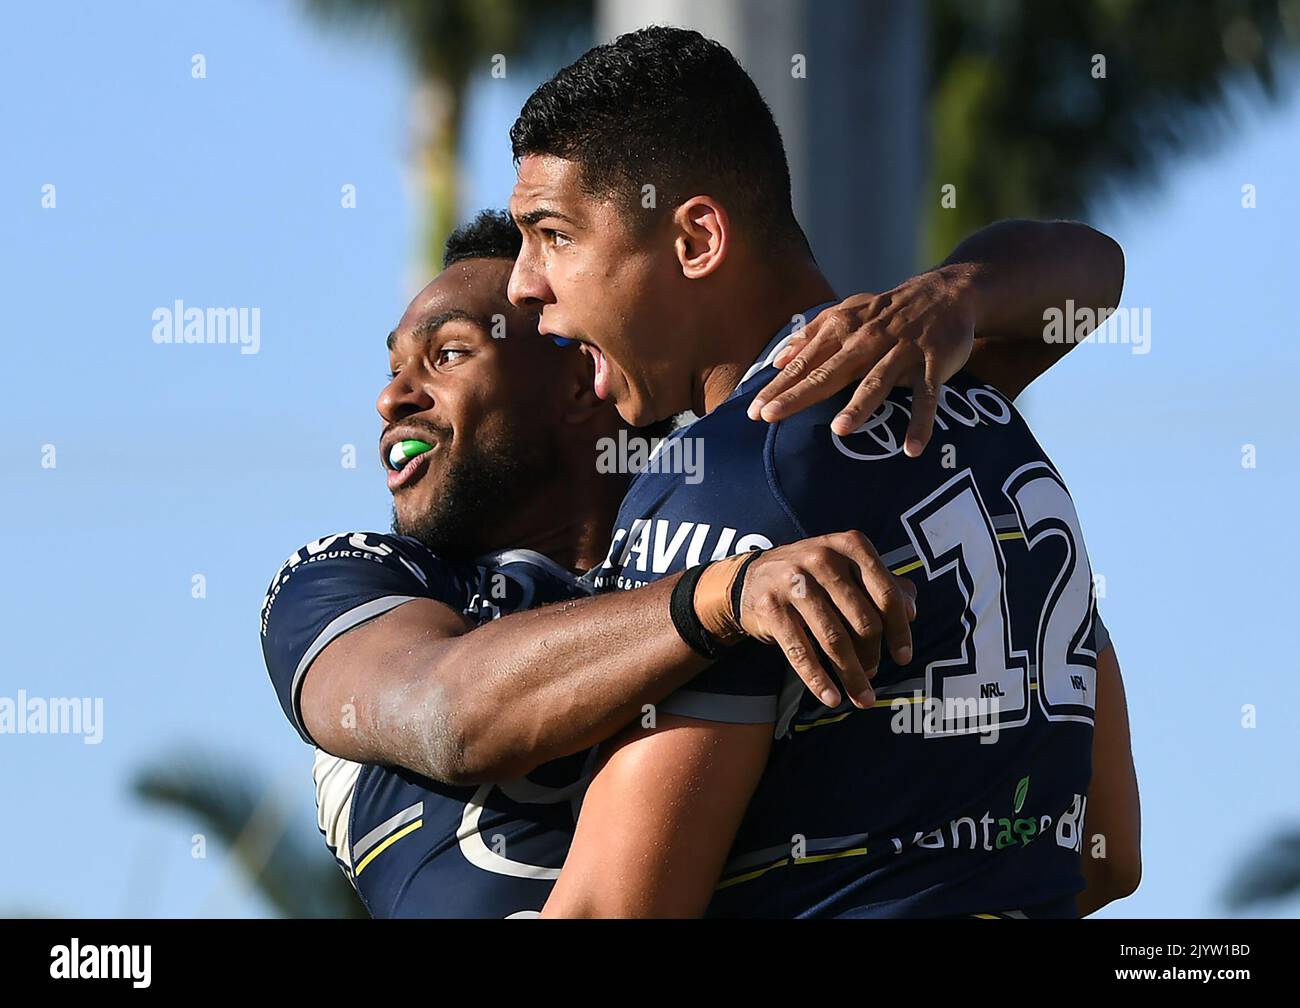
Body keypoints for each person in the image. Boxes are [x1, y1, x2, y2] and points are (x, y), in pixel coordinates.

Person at [260, 202, 1108, 916]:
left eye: (446, 355)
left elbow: (1092, 269)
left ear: (580, 375)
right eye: (393, 367)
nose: (392, 397)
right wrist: (713, 601)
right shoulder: (350, 578)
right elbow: (447, 711)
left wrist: (952, 292)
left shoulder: (753, 514)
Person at [505, 26, 1140, 917]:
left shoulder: (728, 475)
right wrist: (958, 289)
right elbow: (1110, 856)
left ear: (696, 238)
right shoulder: (983, 419)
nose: (523, 284)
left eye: (553, 235)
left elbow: (612, 908)